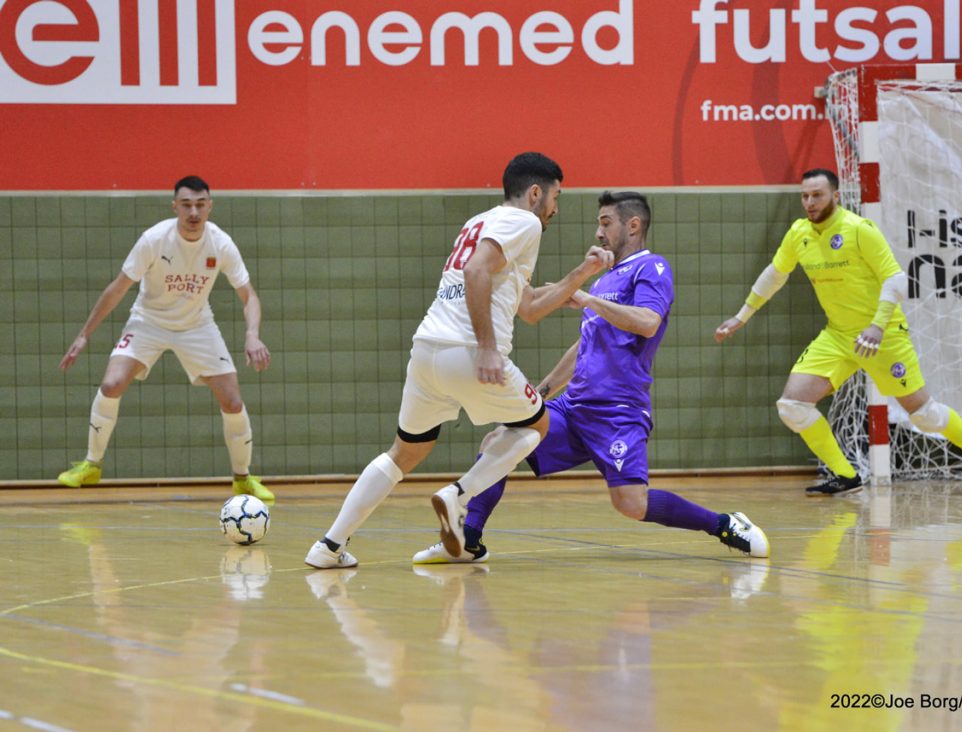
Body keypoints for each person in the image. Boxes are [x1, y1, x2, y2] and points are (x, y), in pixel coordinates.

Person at [412, 191, 770, 565]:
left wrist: (587, 300)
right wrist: (544, 389)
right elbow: (586, 342)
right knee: (501, 439)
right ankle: (469, 539)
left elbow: (648, 323)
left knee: (631, 504)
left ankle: (724, 524)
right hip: (573, 407)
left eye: (605, 223)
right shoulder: (604, 281)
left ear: (632, 226)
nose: (598, 233)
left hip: (617, 409)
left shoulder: (652, 268)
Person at [305, 152, 613, 569]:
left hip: (428, 349)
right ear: (536, 192)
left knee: (405, 452)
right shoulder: (524, 222)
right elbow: (475, 273)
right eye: (556, 196)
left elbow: (532, 308)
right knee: (537, 425)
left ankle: (329, 545)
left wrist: (583, 271)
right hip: (468, 351)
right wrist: (487, 347)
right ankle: (458, 495)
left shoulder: (480, 222)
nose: (556, 208)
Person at [715, 168, 962, 496]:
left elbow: (896, 279)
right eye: (804, 196)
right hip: (838, 335)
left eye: (817, 195)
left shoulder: (859, 229)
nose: (809, 202)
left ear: (836, 196)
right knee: (792, 405)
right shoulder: (799, 233)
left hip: (884, 335)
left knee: (924, 415)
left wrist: (877, 326)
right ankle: (846, 475)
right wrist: (742, 315)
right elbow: (775, 274)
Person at [58, 176, 274, 503]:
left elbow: (250, 297)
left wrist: (252, 334)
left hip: (197, 324)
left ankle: (242, 479)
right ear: (175, 206)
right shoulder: (154, 240)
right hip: (148, 321)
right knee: (112, 383)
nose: (193, 212)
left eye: (200, 205)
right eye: (186, 204)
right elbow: (117, 289)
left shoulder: (221, 244)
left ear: (209, 207)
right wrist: (83, 335)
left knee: (231, 400)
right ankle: (91, 464)